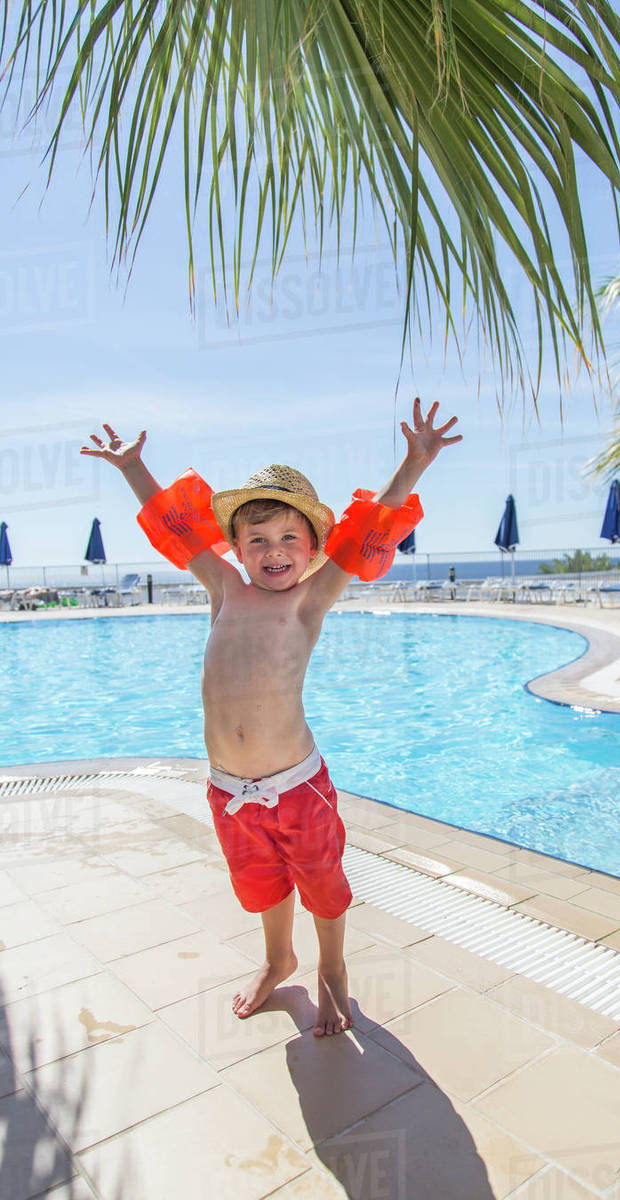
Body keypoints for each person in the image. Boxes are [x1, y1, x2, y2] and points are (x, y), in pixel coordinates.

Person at [81, 399, 461, 1034]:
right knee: (260, 884)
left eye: (289, 538)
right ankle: (278, 956)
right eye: (256, 540)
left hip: (297, 786)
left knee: (322, 882)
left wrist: (414, 462)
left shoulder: (310, 601)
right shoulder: (225, 588)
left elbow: (366, 531)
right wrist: (133, 469)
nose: (273, 550)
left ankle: (332, 967)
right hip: (230, 790)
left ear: (312, 547)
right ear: (235, 548)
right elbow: (179, 529)